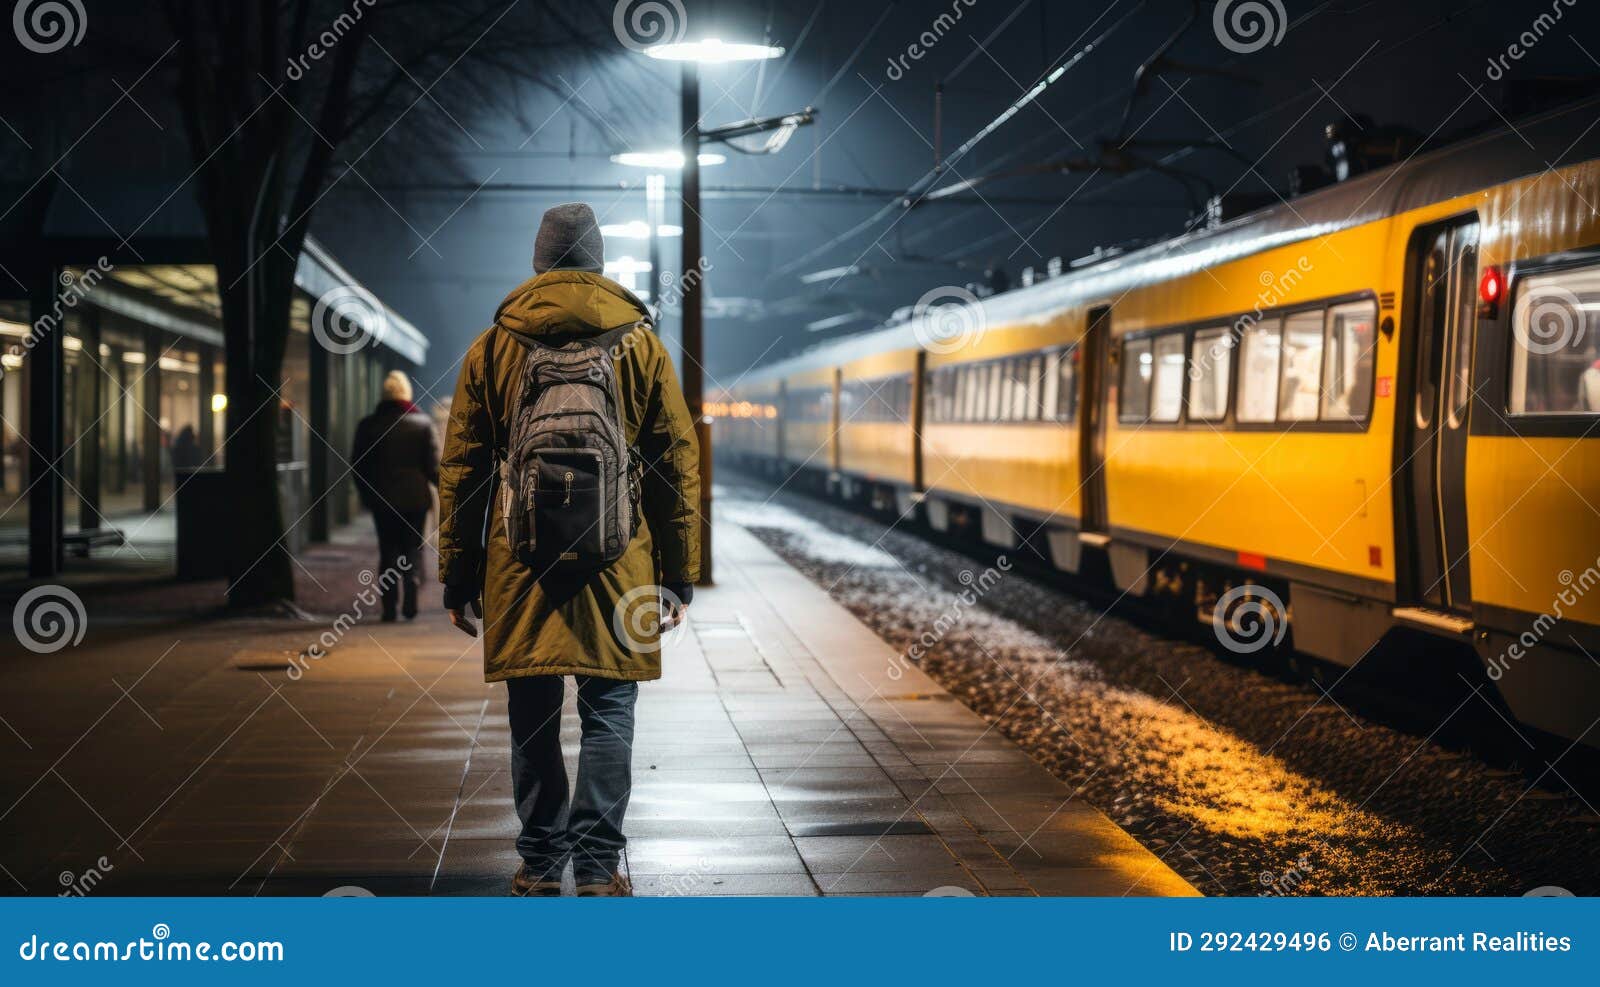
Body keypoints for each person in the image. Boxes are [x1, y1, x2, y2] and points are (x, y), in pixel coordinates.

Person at [437, 202, 700, 897]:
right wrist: (679, 572)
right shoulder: (640, 343)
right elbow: (674, 459)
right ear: (598, 262)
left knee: (533, 712)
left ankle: (539, 862)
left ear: (538, 261)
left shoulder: (494, 345)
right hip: (619, 563)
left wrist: (458, 573)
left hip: (521, 563)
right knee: (610, 709)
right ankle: (598, 864)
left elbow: (462, 466)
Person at [352, 370, 439, 621]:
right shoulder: (422, 424)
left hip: (382, 498)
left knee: (388, 550)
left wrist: (367, 495)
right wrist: (446, 490)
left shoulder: (368, 425)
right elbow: (432, 467)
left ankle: (389, 608)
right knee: (412, 546)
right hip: (415, 499)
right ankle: (411, 598)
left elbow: (358, 466)